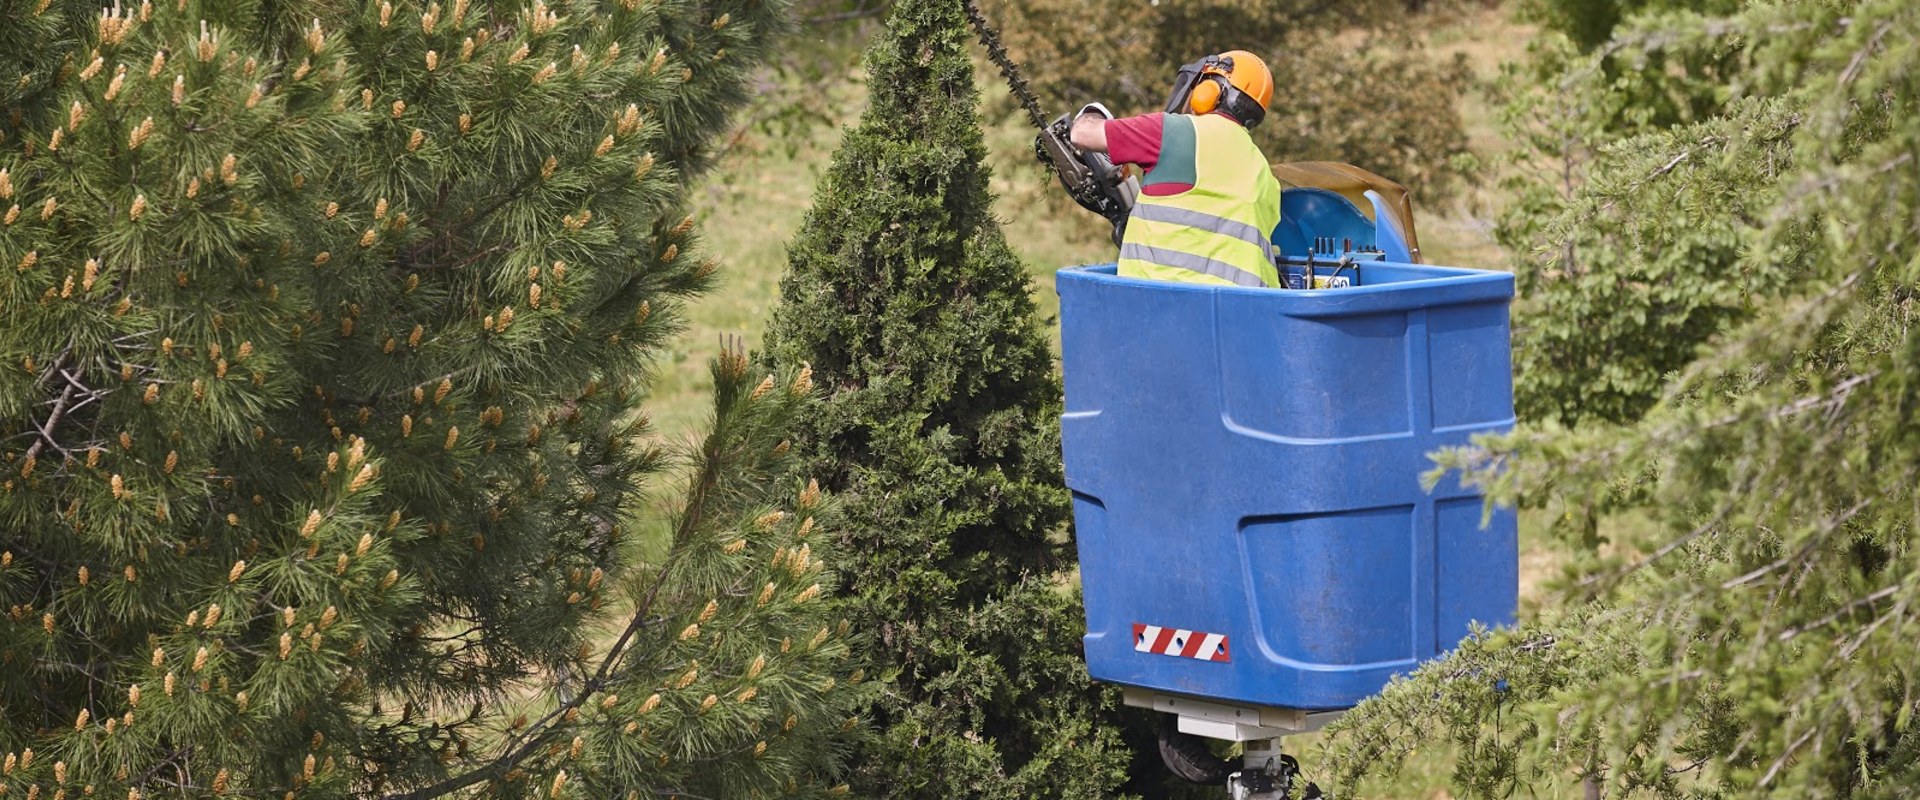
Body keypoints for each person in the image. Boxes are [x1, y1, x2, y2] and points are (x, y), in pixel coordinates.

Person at [1070, 50, 1284, 289]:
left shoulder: (1176, 132)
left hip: (1162, 300)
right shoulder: (1265, 173)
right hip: (1245, 306)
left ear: (1211, 91)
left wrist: (1093, 113)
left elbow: (1081, 134)